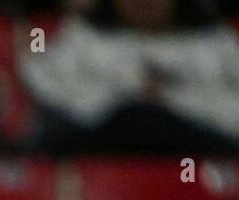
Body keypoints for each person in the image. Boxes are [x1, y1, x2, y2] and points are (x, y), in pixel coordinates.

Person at [20, 0, 239, 156]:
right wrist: (130, 96)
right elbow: (50, 86)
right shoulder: (84, 36)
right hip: (107, 142)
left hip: (200, 143)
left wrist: (171, 99)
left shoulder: (216, 42)